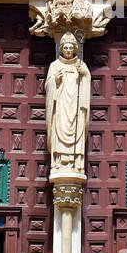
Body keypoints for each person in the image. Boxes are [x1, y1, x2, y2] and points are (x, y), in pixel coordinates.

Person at [46, 31, 91, 175]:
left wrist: (85, 74)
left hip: (76, 108)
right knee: (58, 127)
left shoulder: (81, 65)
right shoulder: (54, 66)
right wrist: (55, 81)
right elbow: (48, 85)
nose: (68, 50)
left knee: (77, 130)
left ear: (75, 49)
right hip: (61, 106)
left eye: (71, 48)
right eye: (65, 48)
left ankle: (77, 163)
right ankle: (57, 162)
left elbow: (86, 81)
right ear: (61, 48)